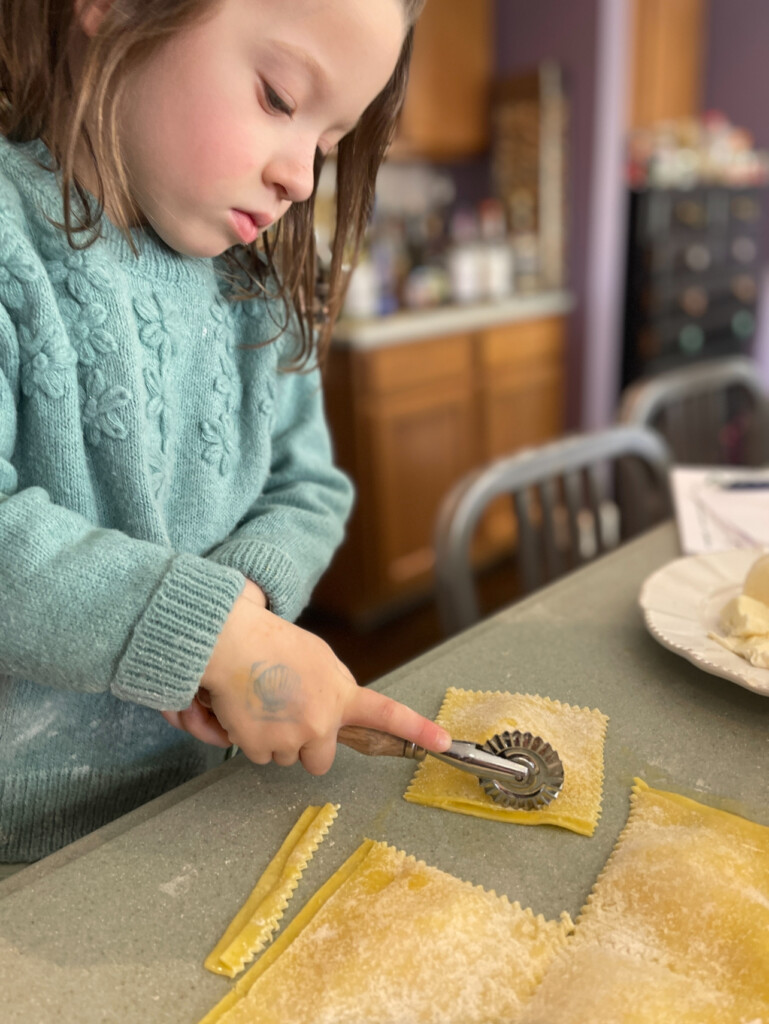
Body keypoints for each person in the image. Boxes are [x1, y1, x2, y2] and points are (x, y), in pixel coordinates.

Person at [0, 0, 451, 868]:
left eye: (328, 144)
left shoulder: (256, 291)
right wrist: (215, 637)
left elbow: (306, 484)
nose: (303, 180)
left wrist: (239, 610)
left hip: (201, 805)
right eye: (279, 98)